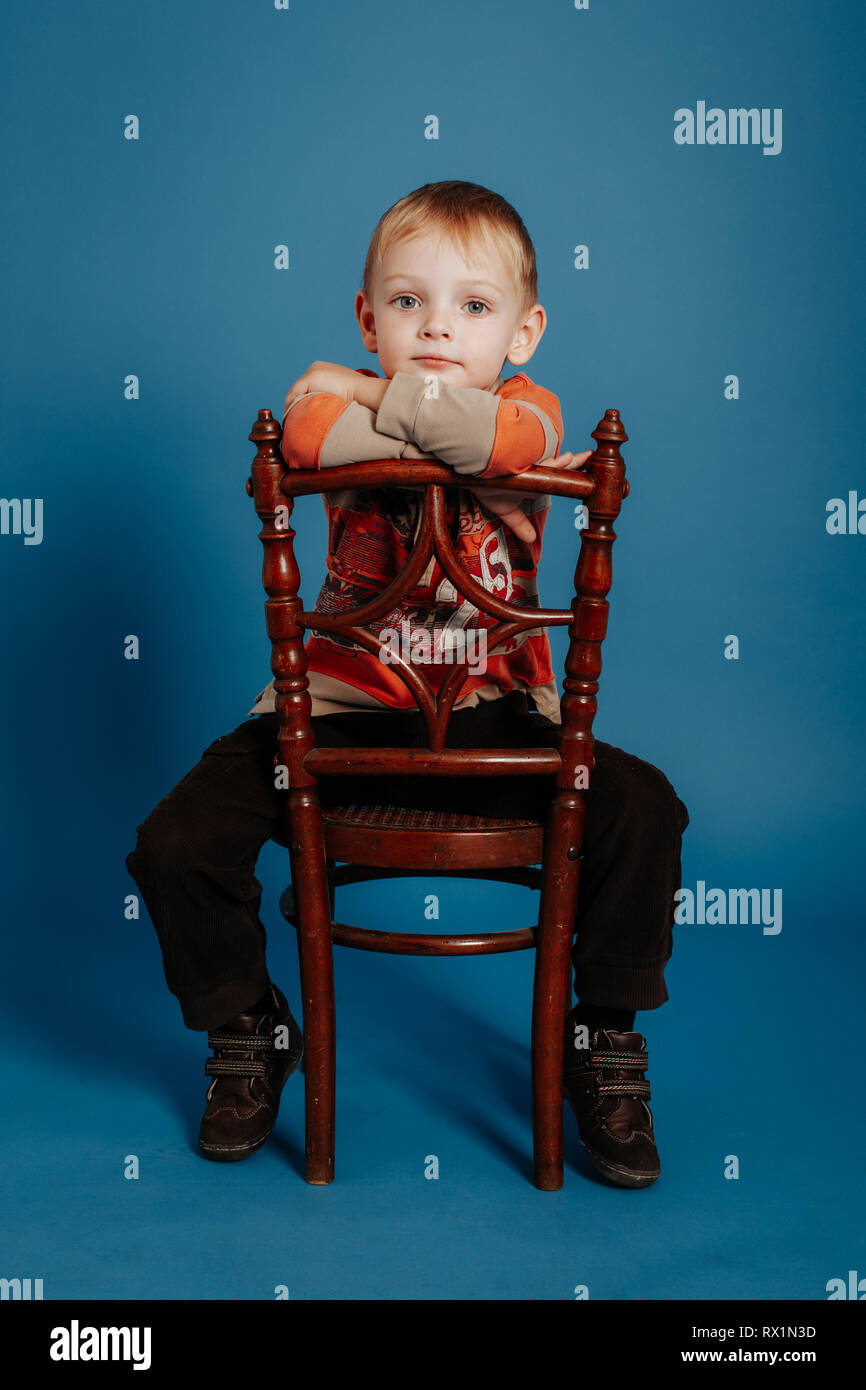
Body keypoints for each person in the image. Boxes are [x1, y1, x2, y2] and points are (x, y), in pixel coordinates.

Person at [126, 180, 689, 1187]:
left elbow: (496, 442)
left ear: (524, 331)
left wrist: (372, 398)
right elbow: (304, 442)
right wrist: (403, 421)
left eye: (473, 309)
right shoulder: (322, 404)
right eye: (406, 304)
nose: (435, 328)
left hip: (493, 722)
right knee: (175, 842)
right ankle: (251, 1025)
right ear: (364, 314)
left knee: (642, 806)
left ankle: (599, 1039)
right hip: (334, 722)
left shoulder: (528, 407)